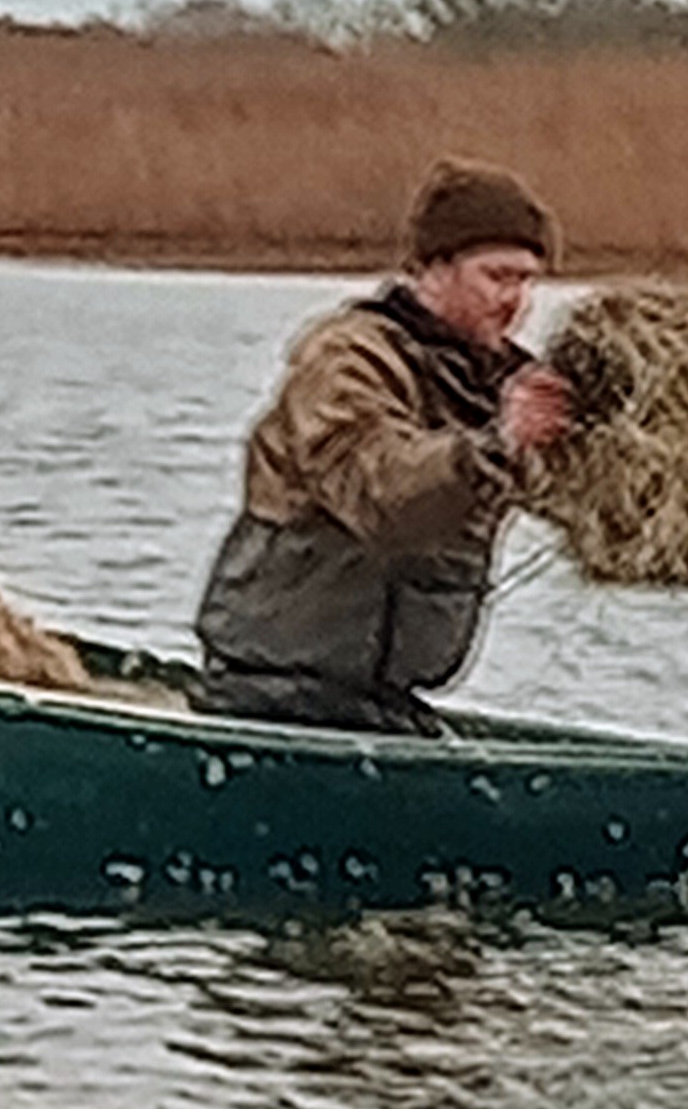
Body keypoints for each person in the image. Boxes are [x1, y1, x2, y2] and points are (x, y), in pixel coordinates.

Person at [192, 159, 577, 732]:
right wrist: (499, 446)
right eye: (497, 277)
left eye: (526, 281)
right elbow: (381, 491)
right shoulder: (348, 362)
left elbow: (576, 501)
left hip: (385, 698)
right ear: (431, 269)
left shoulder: (501, 385)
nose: (514, 301)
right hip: (271, 690)